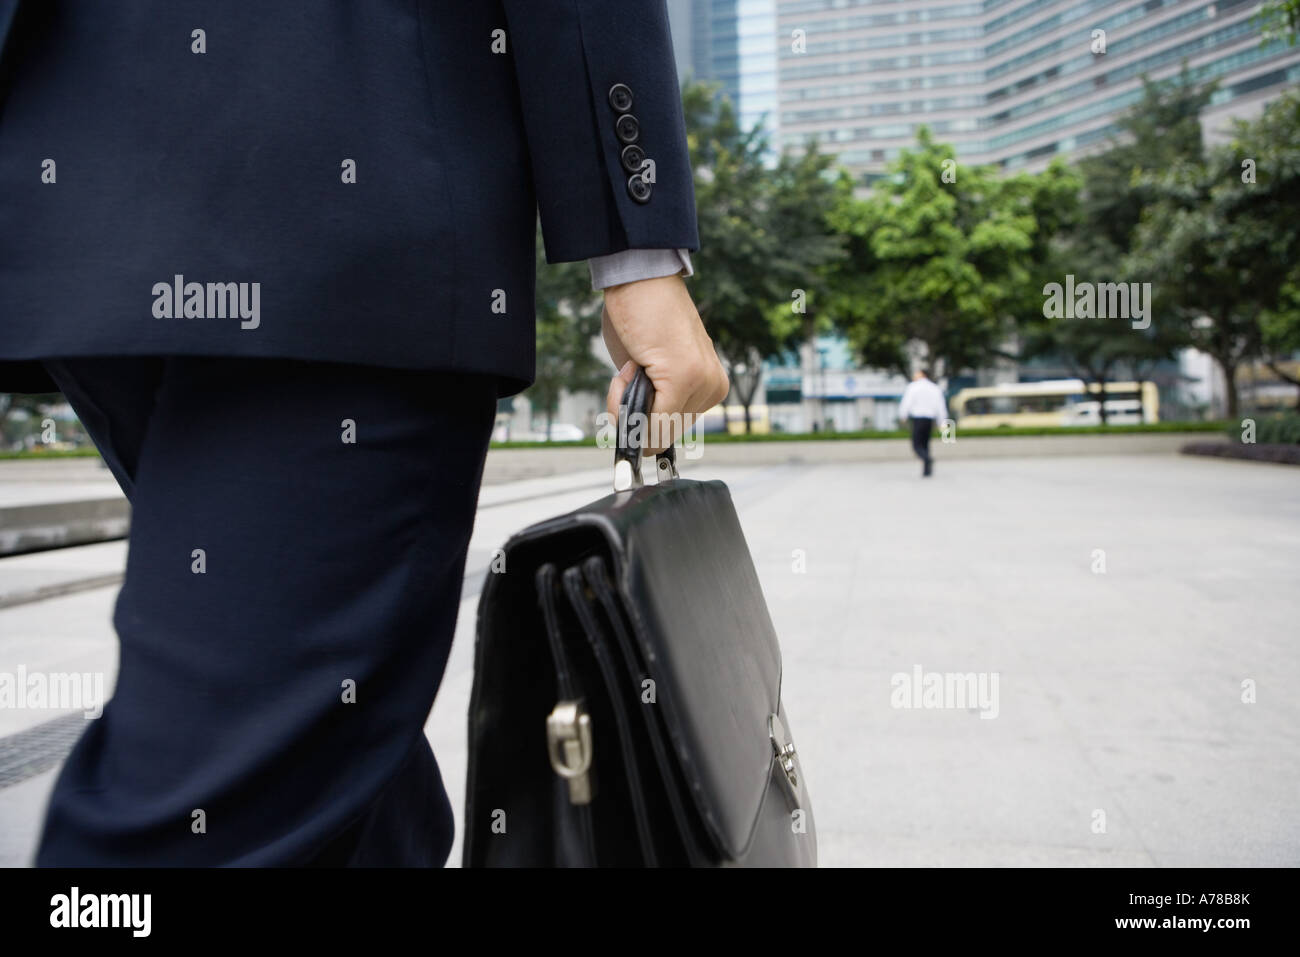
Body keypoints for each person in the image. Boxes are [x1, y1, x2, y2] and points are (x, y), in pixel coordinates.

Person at [0, 1, 727, 865]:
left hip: (302, 212)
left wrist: (634, 245)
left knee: (238, 787)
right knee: (309, 768)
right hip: (128, 203)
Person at [898, 368, 949, 477]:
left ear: (922, 374)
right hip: (929, 419)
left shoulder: (913, 387)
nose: (914, 375)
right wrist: (943, 422)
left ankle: (927, 459)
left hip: (918, 418)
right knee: (925, 444)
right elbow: (941, 407)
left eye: (916, 373)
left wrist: (903, 416)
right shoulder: (935, 388)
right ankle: (927, 470)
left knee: (916, 445)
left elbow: (907, 402)